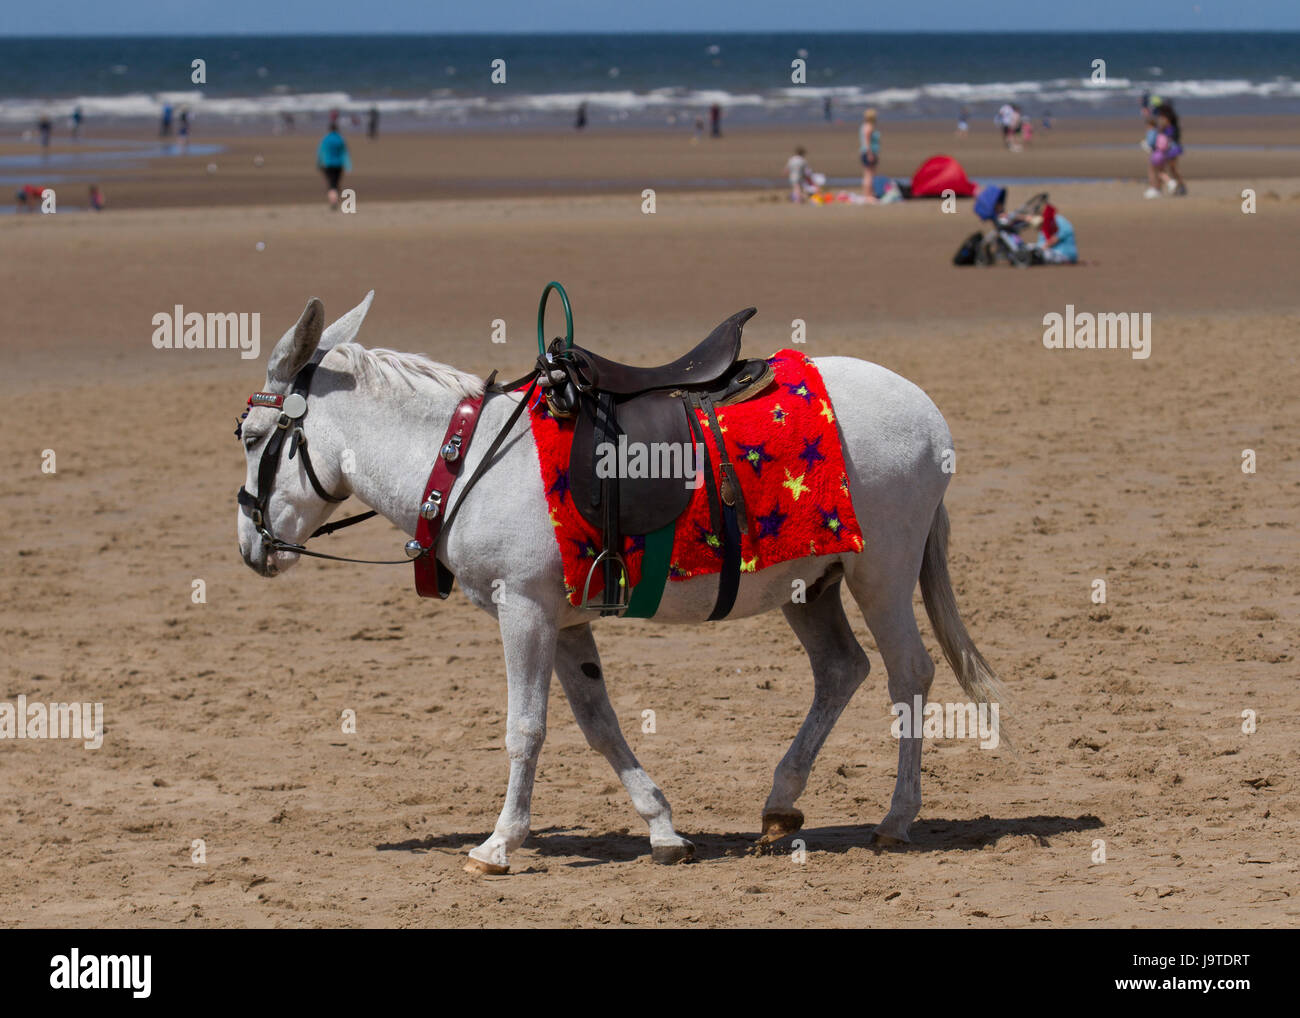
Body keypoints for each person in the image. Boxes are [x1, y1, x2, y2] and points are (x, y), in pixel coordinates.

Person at [316, 118, 352, 209]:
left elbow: (320, 152)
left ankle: (333, 201)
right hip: (338, 164)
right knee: (335, 183)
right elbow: (345, 153)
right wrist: (348, 166)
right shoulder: (340, 139)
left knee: (331, 184)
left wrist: (318, 163)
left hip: (327, 164)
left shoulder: (325, 139)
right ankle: (334, 199)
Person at [859, 108, 880, 201]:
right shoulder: (869, 127)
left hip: (867, 152)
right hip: (869, 152)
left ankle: (869, 194)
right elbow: (867, 142)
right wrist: (870, 153)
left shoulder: (865, 126)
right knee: (869, 175)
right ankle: (868, 195)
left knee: (869, 174)